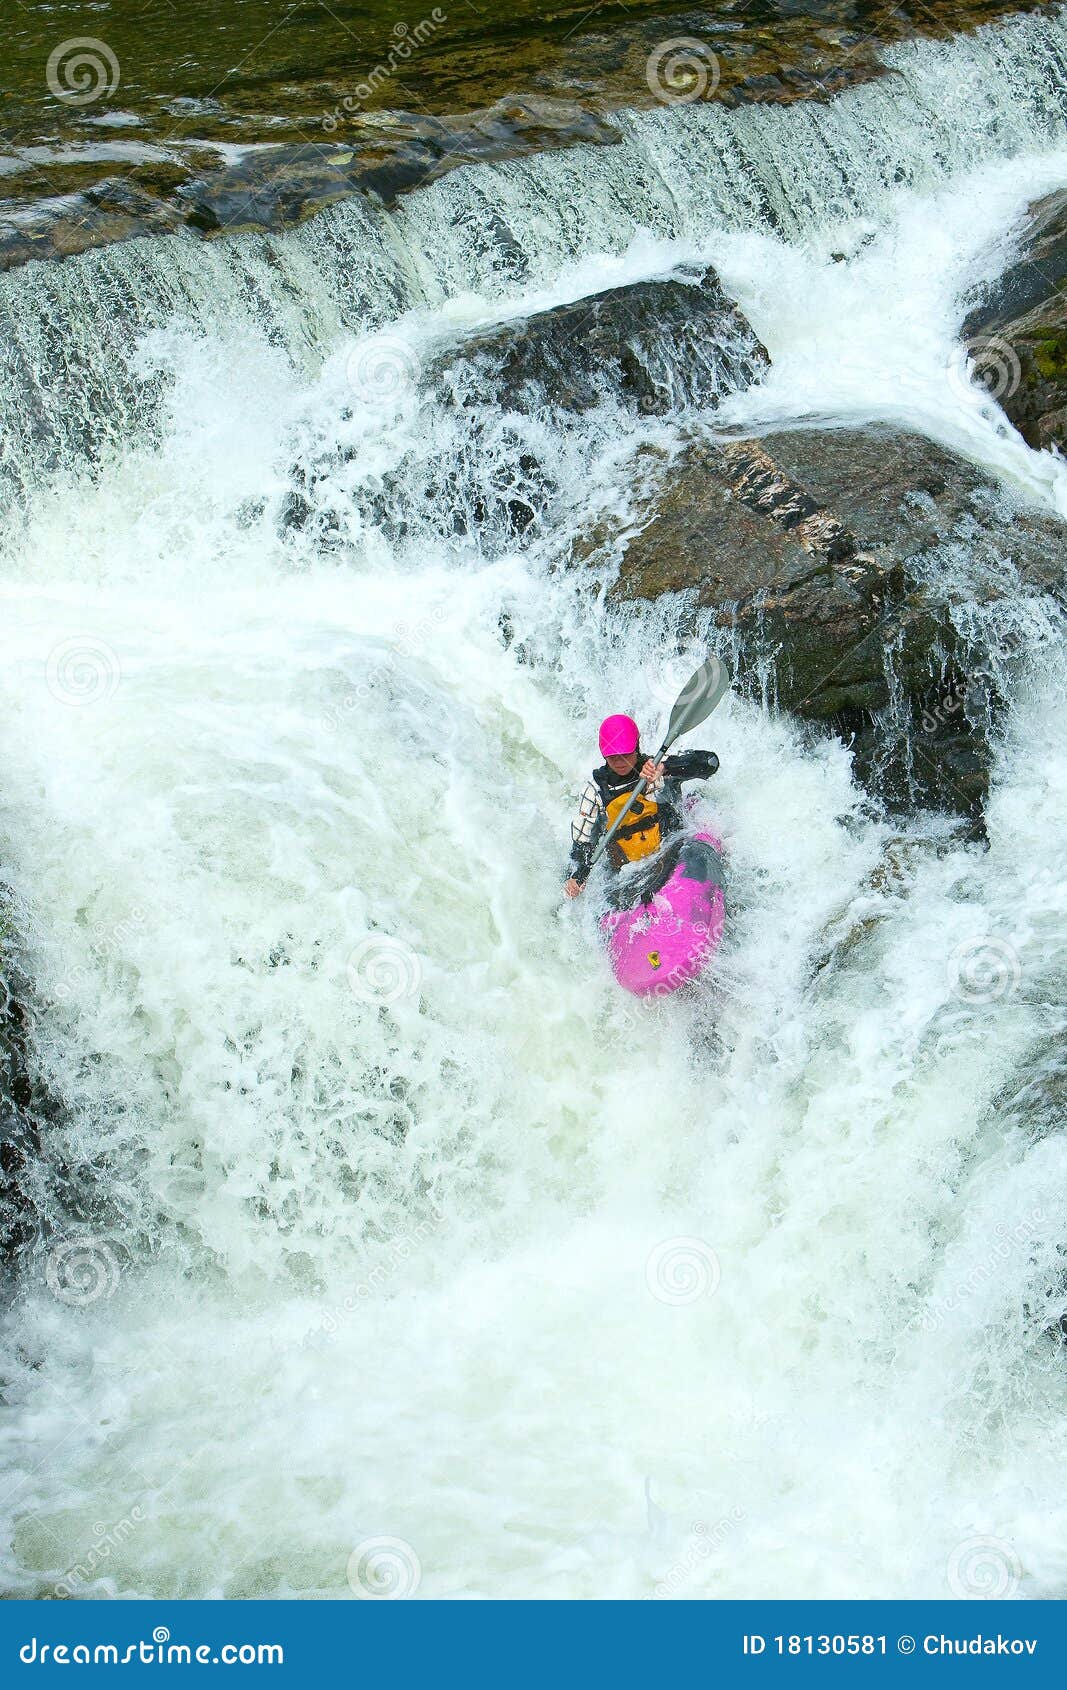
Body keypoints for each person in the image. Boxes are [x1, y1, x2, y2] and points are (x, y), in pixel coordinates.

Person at [563, 713, 719, 899]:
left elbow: (710, 763)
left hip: (674, 855)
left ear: (636, 747)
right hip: (629, 872)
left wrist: (666, 767)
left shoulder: (657, 767)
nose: (620, 762)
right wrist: (576, 876)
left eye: (626, 754)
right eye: (613, 757)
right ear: (604, 753)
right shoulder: (595, 791)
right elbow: (583, 843)